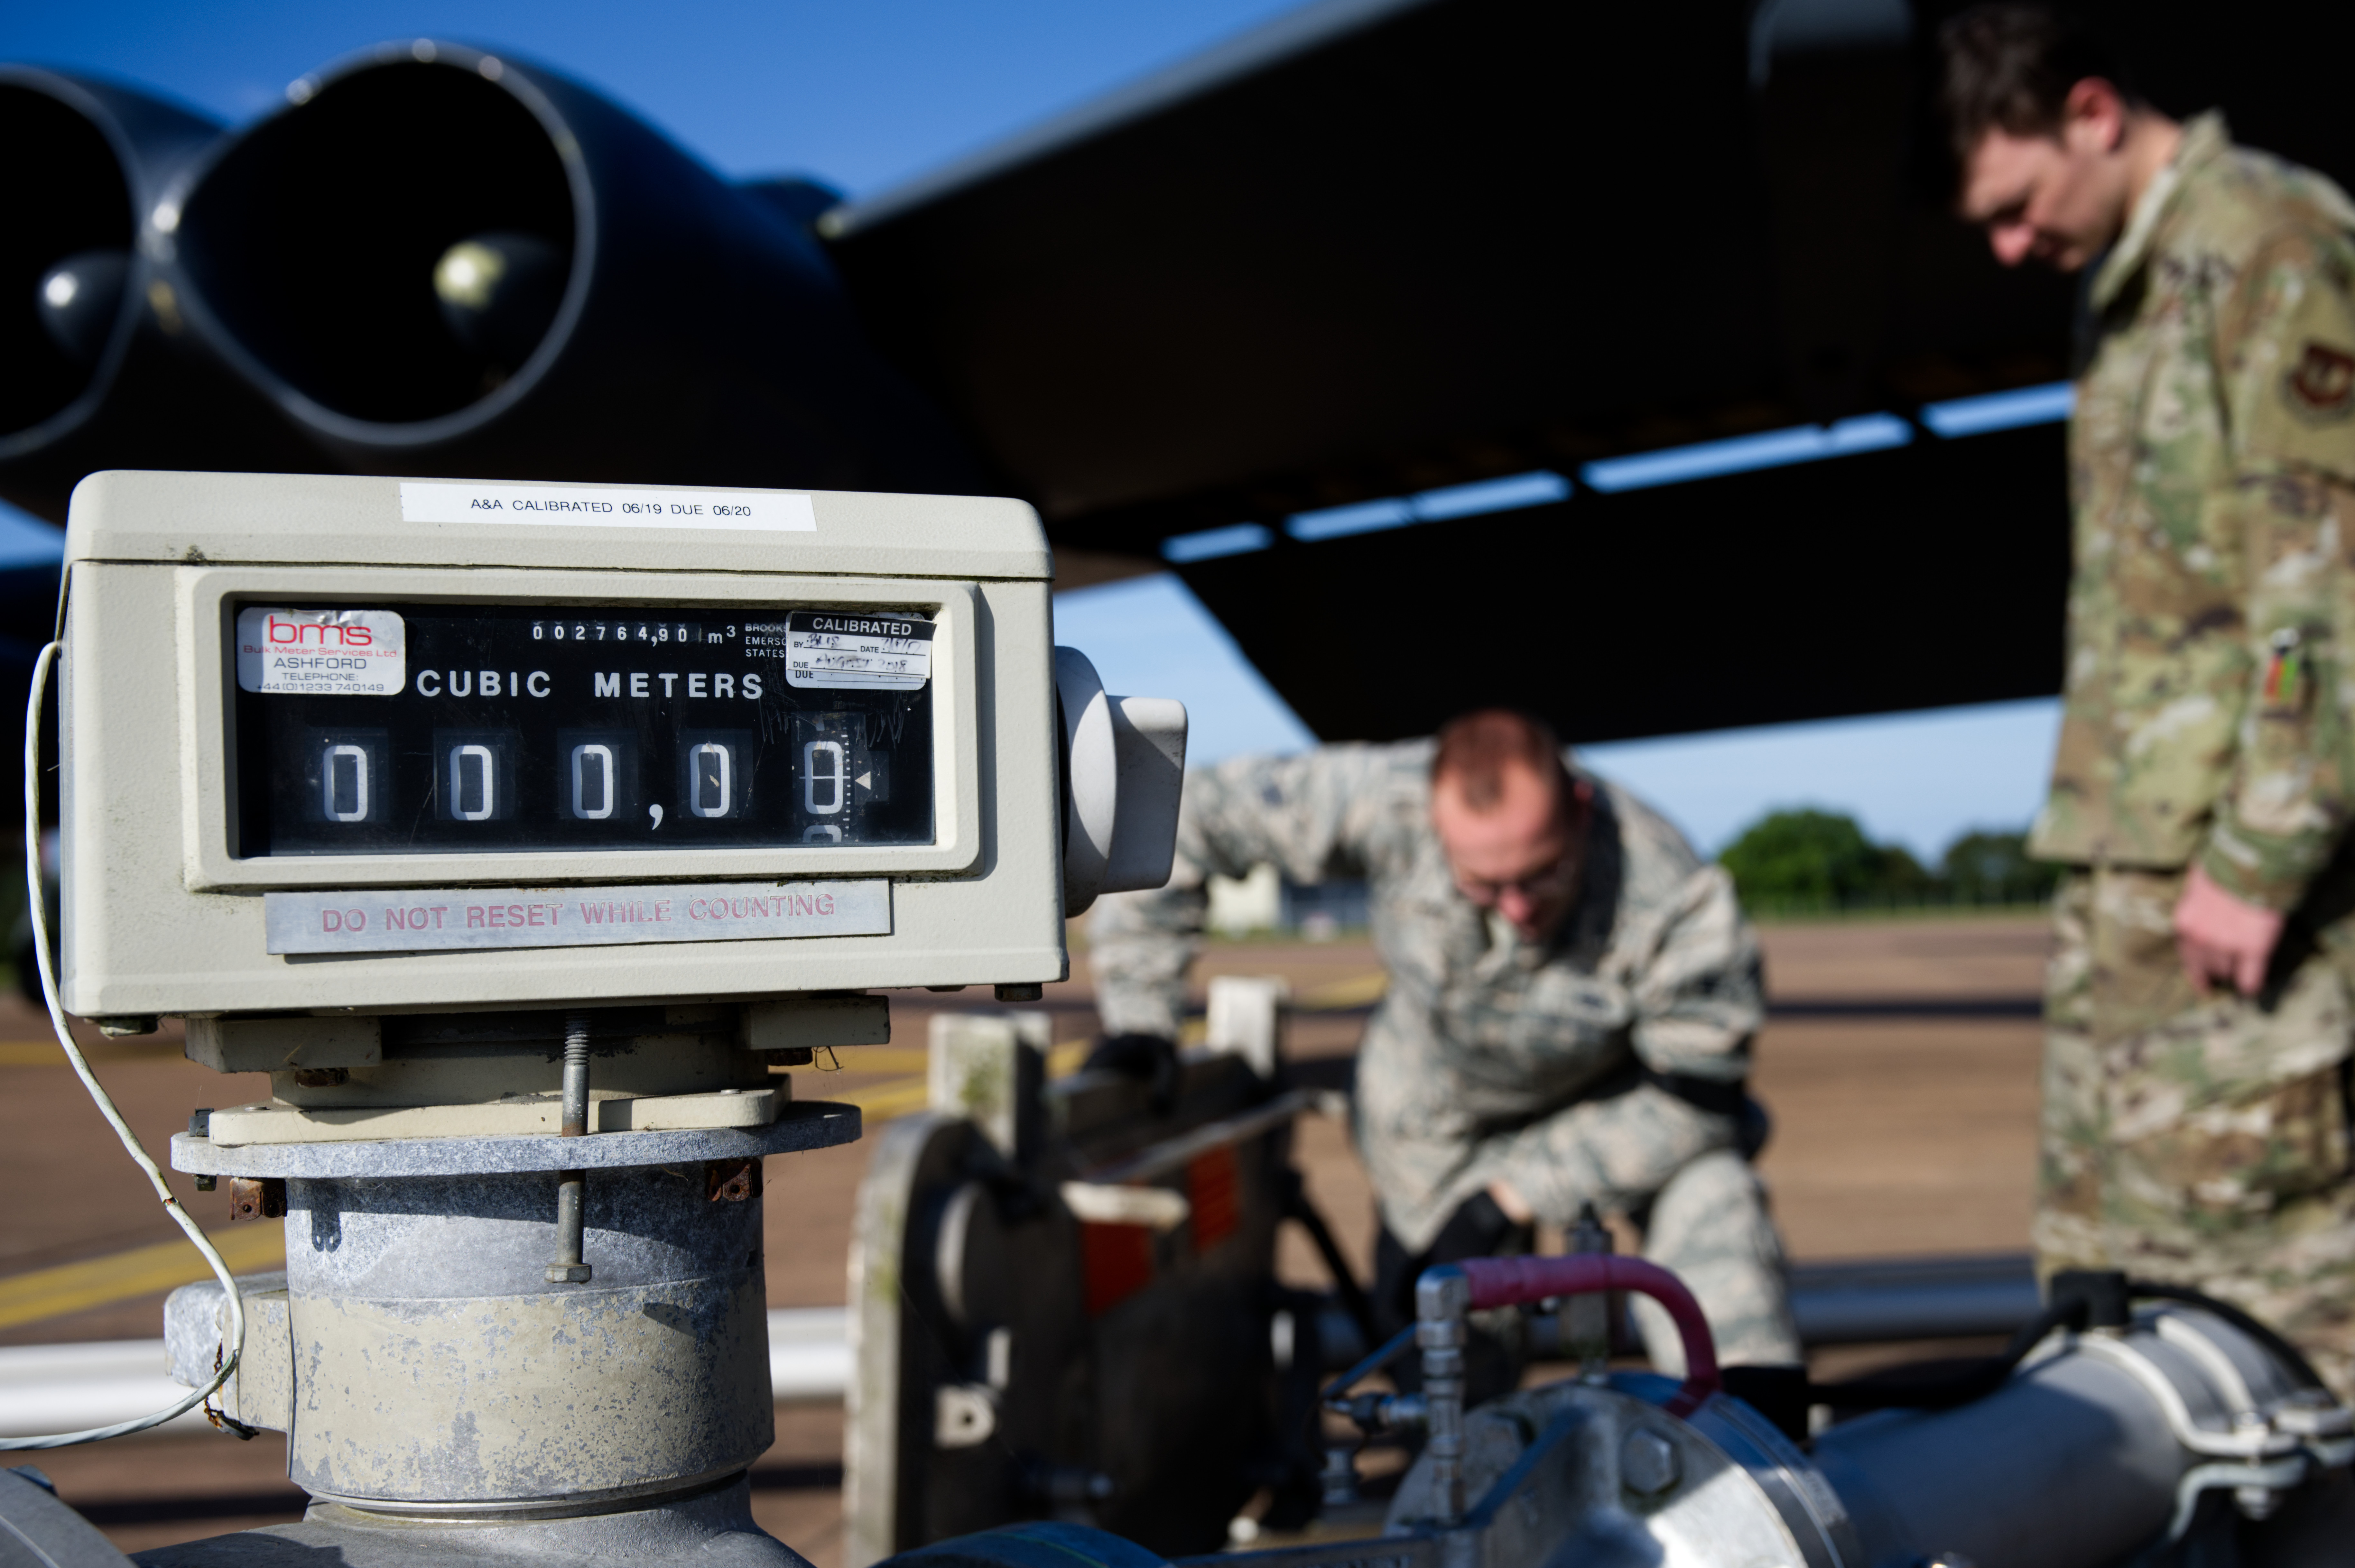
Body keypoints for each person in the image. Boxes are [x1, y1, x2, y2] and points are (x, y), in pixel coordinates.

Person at [1942, 5, 2355, 1396]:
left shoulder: (2269, 245)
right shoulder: (2126, 282)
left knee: (2281, 1322)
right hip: (2133, 882)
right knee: (2116, 1307)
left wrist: (2261, 856)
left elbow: (2332, 586)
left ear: (2095, 114)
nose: (2006, 244)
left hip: (2236, 903)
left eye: (2016, 203)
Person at [1087, 710, 1800, 1387]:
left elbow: (1699, 1099)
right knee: (1446, 1385)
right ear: (1433, 822)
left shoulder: (1677, 900)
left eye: (1542, 873)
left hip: (1622, 1113)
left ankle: (1750, 1460)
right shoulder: (1382, 800)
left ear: (1581, 809)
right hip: (1434, 1122)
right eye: (1484, 884)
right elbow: (1178, 813)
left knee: (1722, 1228)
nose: (1518, 910)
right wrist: (1143, 1018)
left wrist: (1512, 1196)